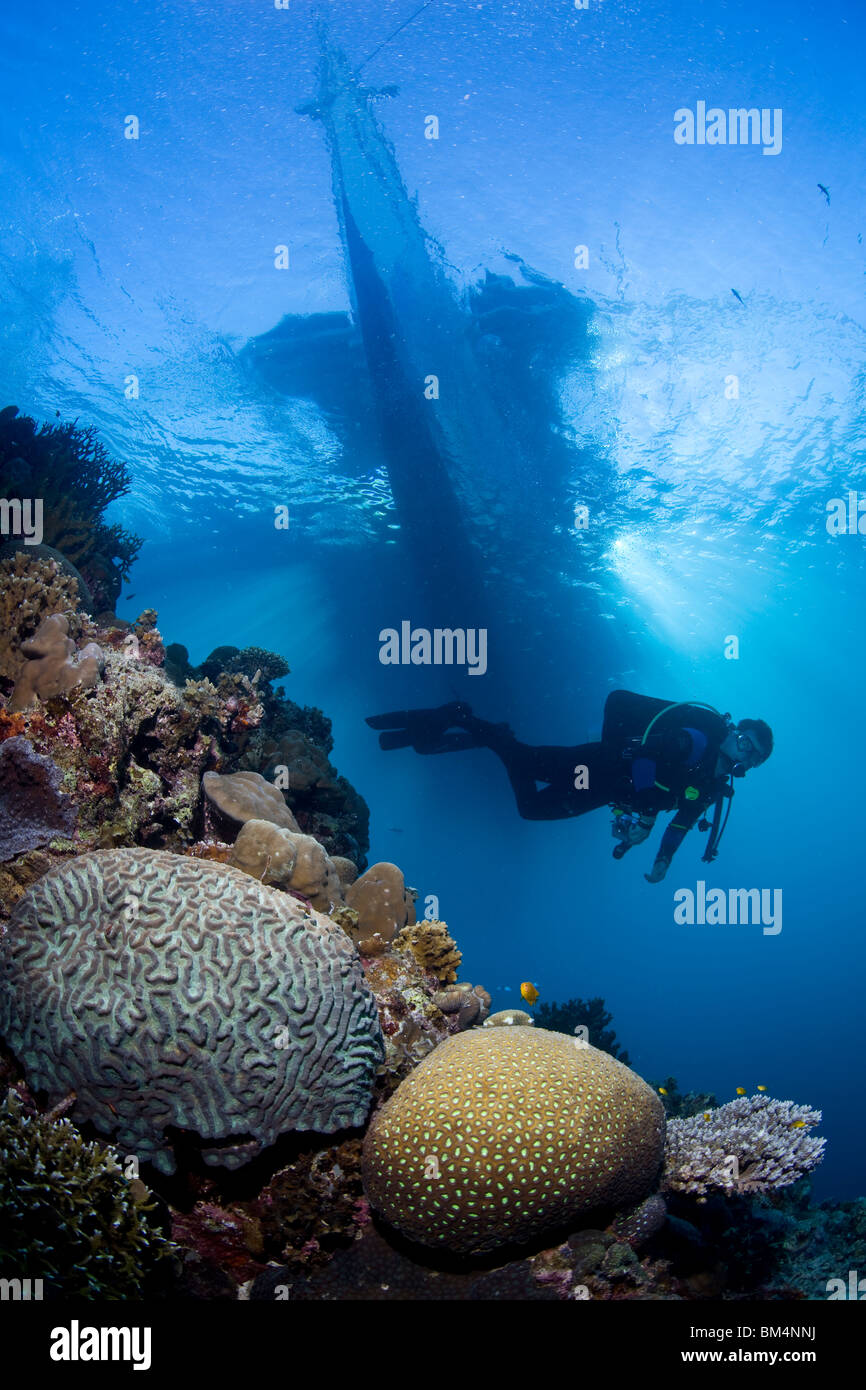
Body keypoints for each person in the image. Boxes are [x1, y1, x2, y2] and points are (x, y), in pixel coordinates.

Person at [366, 690, 773, 882]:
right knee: (523, 761)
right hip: (597, 763)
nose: (743, 754)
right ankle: (467, 719)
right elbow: (647, 756)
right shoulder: (697, 739)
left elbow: (683, 821)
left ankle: (487, 735)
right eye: (744, 742)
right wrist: (647, 811)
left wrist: (662, 858)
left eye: (751, 756)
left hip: (604, 791)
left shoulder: (712, 786)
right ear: (734, 730)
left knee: (531, 806)